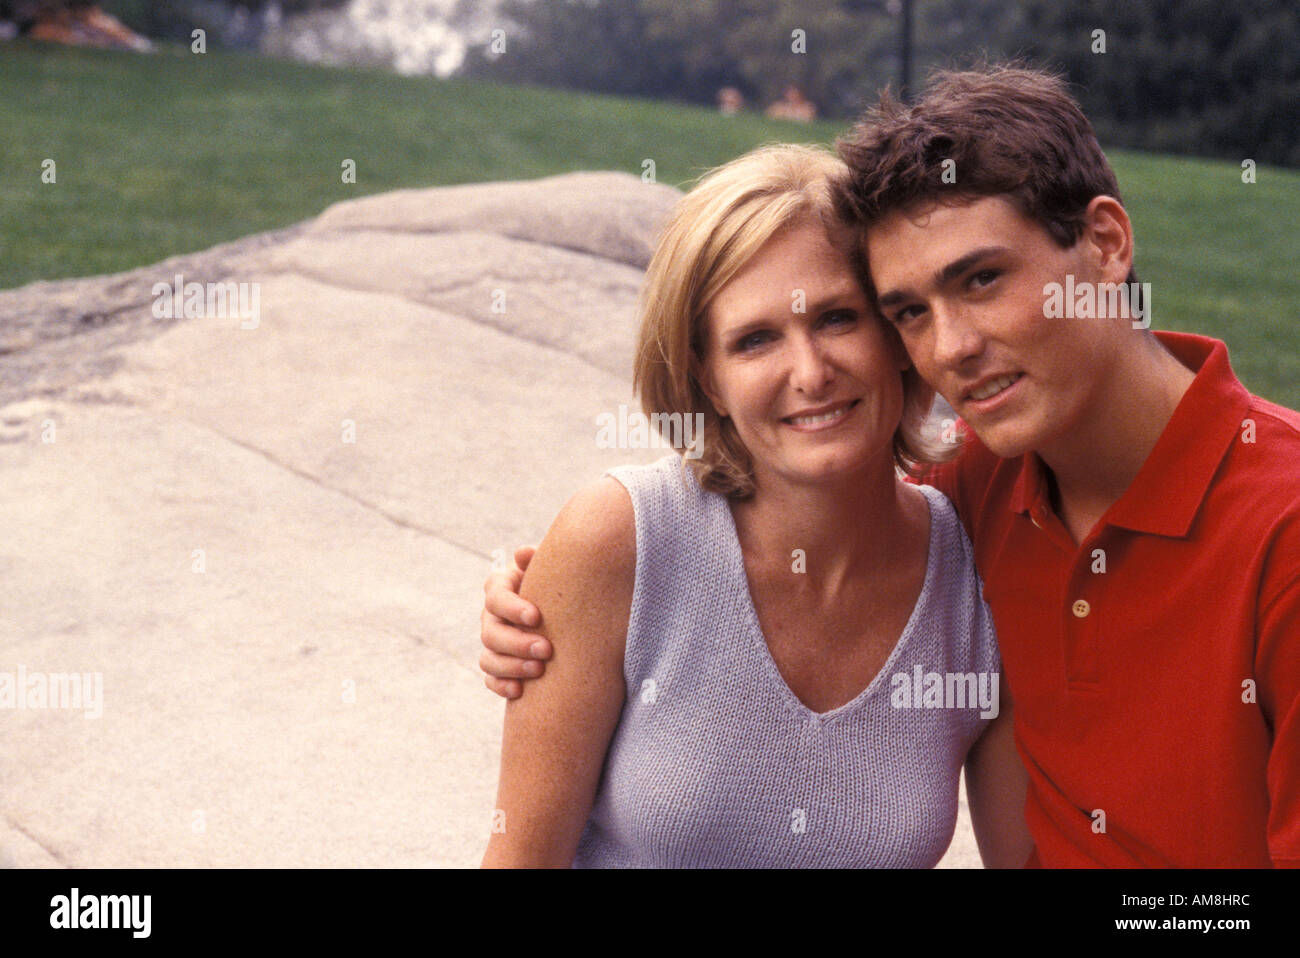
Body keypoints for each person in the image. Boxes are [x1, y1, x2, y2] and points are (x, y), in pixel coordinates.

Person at [480, 65, 1300, 868]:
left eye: (982, 279)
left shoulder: (1273, 525)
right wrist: (549, 583)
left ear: (1106, 243)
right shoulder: (990, 494)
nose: (953, 348)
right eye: (910, 311)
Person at [480, 143, 1031, 868]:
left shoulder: (979, 580)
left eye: (837, 318)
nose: (810, 373)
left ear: (898, 332)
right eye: (755, 340)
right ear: (709, 381)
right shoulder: (621, 540)